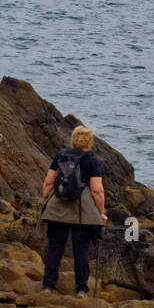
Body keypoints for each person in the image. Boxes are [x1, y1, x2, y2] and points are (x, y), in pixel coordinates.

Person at [39, 125, 107, 296]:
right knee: (81, 250)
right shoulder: (92, 160)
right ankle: (82, 289)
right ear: (90, 142)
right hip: (82, 212)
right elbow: (97, 190)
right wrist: (101, 212)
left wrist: (45, 201)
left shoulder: (61, 155)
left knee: (55, 247)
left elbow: (48, 182)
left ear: (73, 140)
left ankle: (47, 286)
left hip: (58, 208)